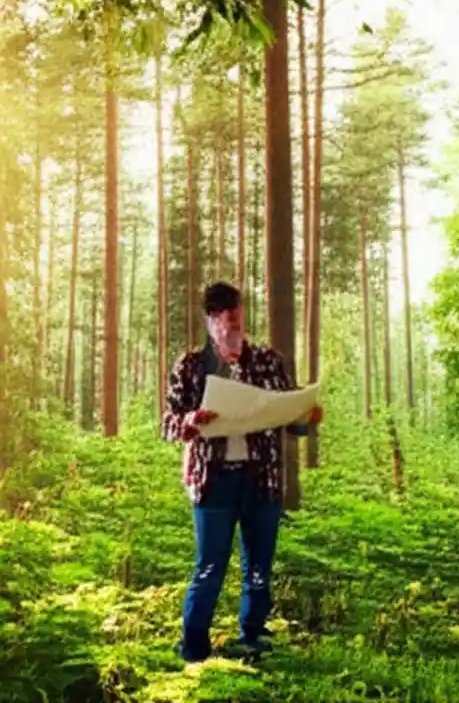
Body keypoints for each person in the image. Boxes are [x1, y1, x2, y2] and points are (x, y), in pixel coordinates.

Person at [160, 281, 322, 663]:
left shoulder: (266, 360)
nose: (232, 328)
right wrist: (189, 421)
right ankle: (194, 650)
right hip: (213, 482)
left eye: (237, 319)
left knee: (259, 567)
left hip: (261, 478)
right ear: (210, 320)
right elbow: (167, 423)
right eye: (223, 320)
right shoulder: (190, 366)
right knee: (210, 566)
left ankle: (253, 639)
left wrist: (307, 418)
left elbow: (289, 416)